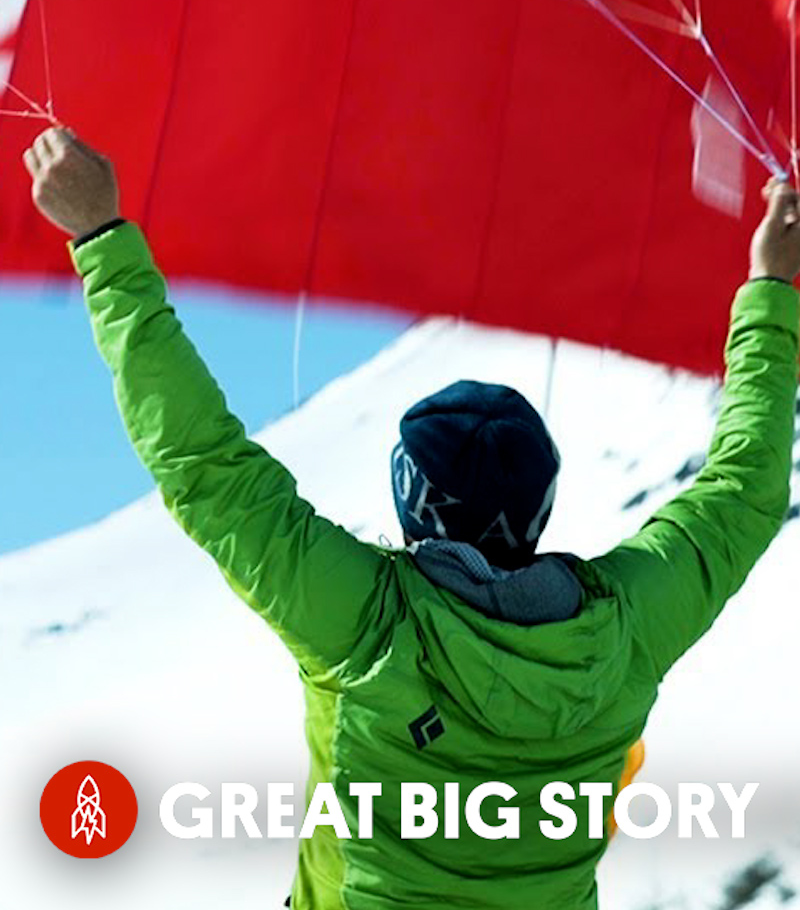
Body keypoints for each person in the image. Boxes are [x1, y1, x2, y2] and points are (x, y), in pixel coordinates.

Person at [23, 127, 800, 909]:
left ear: (412, 502)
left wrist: (100, 236)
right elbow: (747, 493)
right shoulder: (622, 628)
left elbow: (203, 466)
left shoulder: (365, 621)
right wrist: (773, 289)